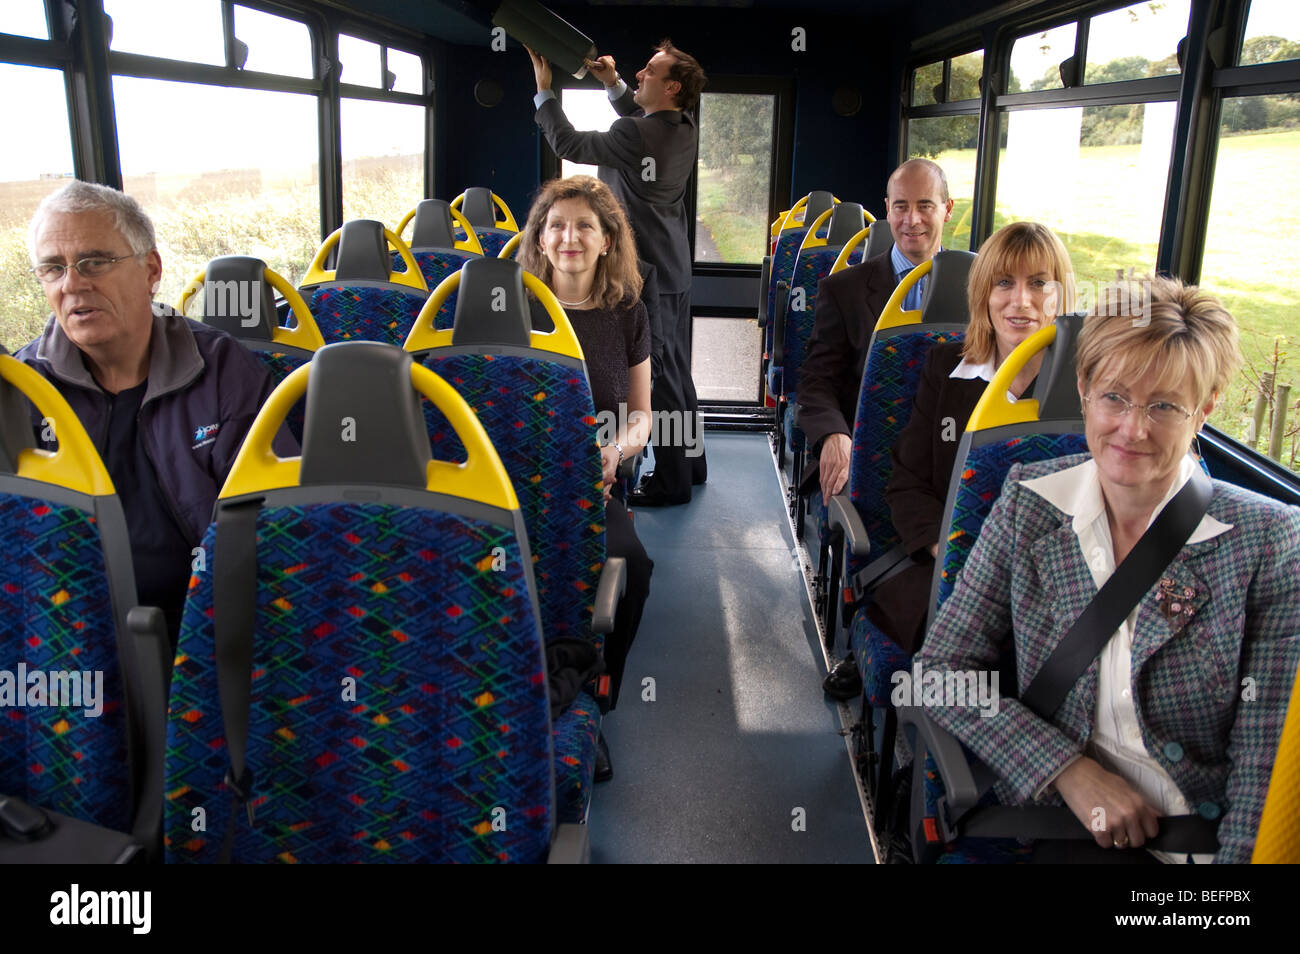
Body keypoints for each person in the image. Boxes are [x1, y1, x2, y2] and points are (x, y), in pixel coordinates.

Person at [916, 276, 1300, 864]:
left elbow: (1264, 759)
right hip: (1063, 828)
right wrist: (1064, 768)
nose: (1134, 428)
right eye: (1114, 397)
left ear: (1204, 410)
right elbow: (940, 670)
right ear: (1083, 390)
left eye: (1165, 406)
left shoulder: (1267, 542)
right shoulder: (1028, 504)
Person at [16, 181, 293, 649]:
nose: (72, 283)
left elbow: (275, 523)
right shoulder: (23, 387)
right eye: (52, 268)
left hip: (203, 621)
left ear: (151, 270)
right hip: (62, 625)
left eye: (94, 262)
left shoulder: (222, 371)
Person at [865, 222, 1074, 657]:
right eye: (1004, 284)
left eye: (1038, 284)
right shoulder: (945, 368)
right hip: (950, 567)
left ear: (1060, 295)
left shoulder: (1088, 389)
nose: (1021, 301)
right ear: (983, 295)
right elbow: (907, 485)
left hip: (1052, 585)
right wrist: (955, 554)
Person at [528, 40, 707, 506]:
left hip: (646, 268)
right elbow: (640, 114)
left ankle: (672, 483)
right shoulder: (683, 124)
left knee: (661, 377)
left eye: (649, 70)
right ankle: (693, 462)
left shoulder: (635, 134)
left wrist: (545, 92)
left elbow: (568, 142)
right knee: (677, 370)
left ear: (670, 87)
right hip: (675, 267)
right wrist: (612, 83)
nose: (639, 74)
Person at [518, 175, 656, 782]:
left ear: (607, 241)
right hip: (510, 482)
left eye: (584, 227)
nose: (569, 237)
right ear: (540, 240)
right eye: (557, 226)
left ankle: (594, 701)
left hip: (592, 483)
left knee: (634, 570)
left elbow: (643, 415)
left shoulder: (628, 313)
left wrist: (616, 453)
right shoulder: (512, 308)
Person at [798, 158, 953, 503]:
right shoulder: (844, 290)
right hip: (866, 455)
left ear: (947, 210)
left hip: (948, 460)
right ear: (887, 209)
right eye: (901, 207)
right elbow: (816, 381)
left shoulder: (979, 293)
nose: (911, 220)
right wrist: (834, 434)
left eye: (925, 206)